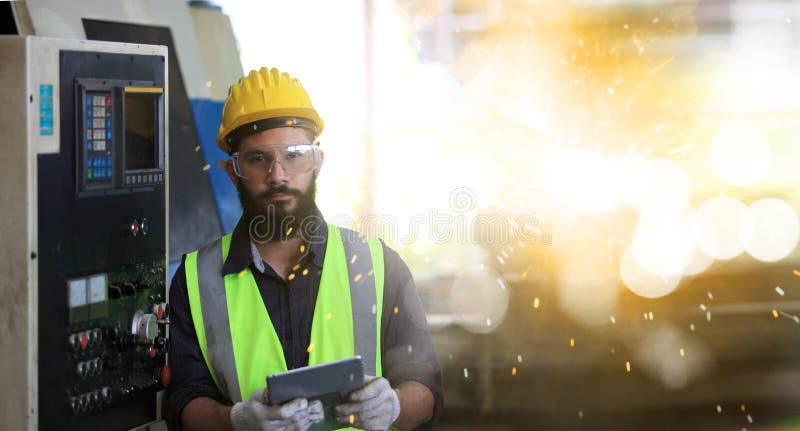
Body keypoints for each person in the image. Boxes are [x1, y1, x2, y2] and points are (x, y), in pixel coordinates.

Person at [165, 67, 442, 431]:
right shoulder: (195, 280)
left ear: (317, 163)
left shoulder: (377, 265)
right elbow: (184, 399)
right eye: (258, 158)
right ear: (234, 172)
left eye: (294, 155)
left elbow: (426, 385)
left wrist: (393, 406)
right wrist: (235, 421)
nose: (278, 174)